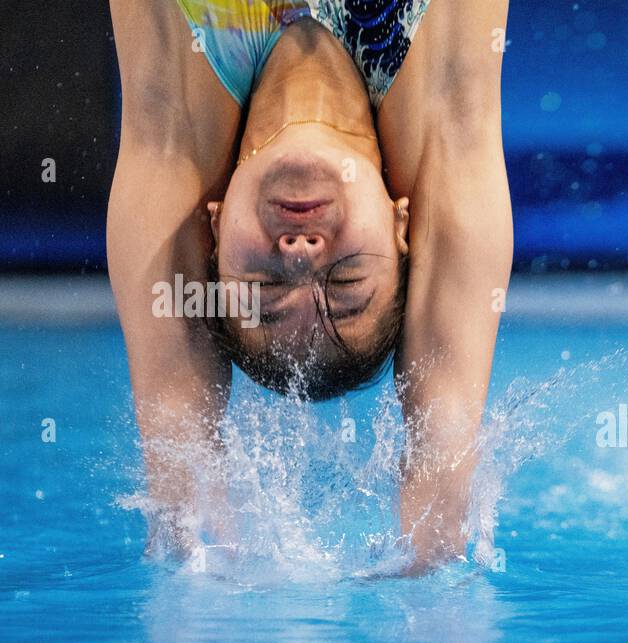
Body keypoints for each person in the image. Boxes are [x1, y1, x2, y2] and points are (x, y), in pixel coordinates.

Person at [108, 0, 511, 571]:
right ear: (403, 227)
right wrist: (427, 551)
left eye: (265, 288)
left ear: (215, 231)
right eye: (344, 282)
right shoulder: (442, 113)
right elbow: (441, 464)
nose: (300, 255)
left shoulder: (177, 118)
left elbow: (178, 446)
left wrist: (194, 547)